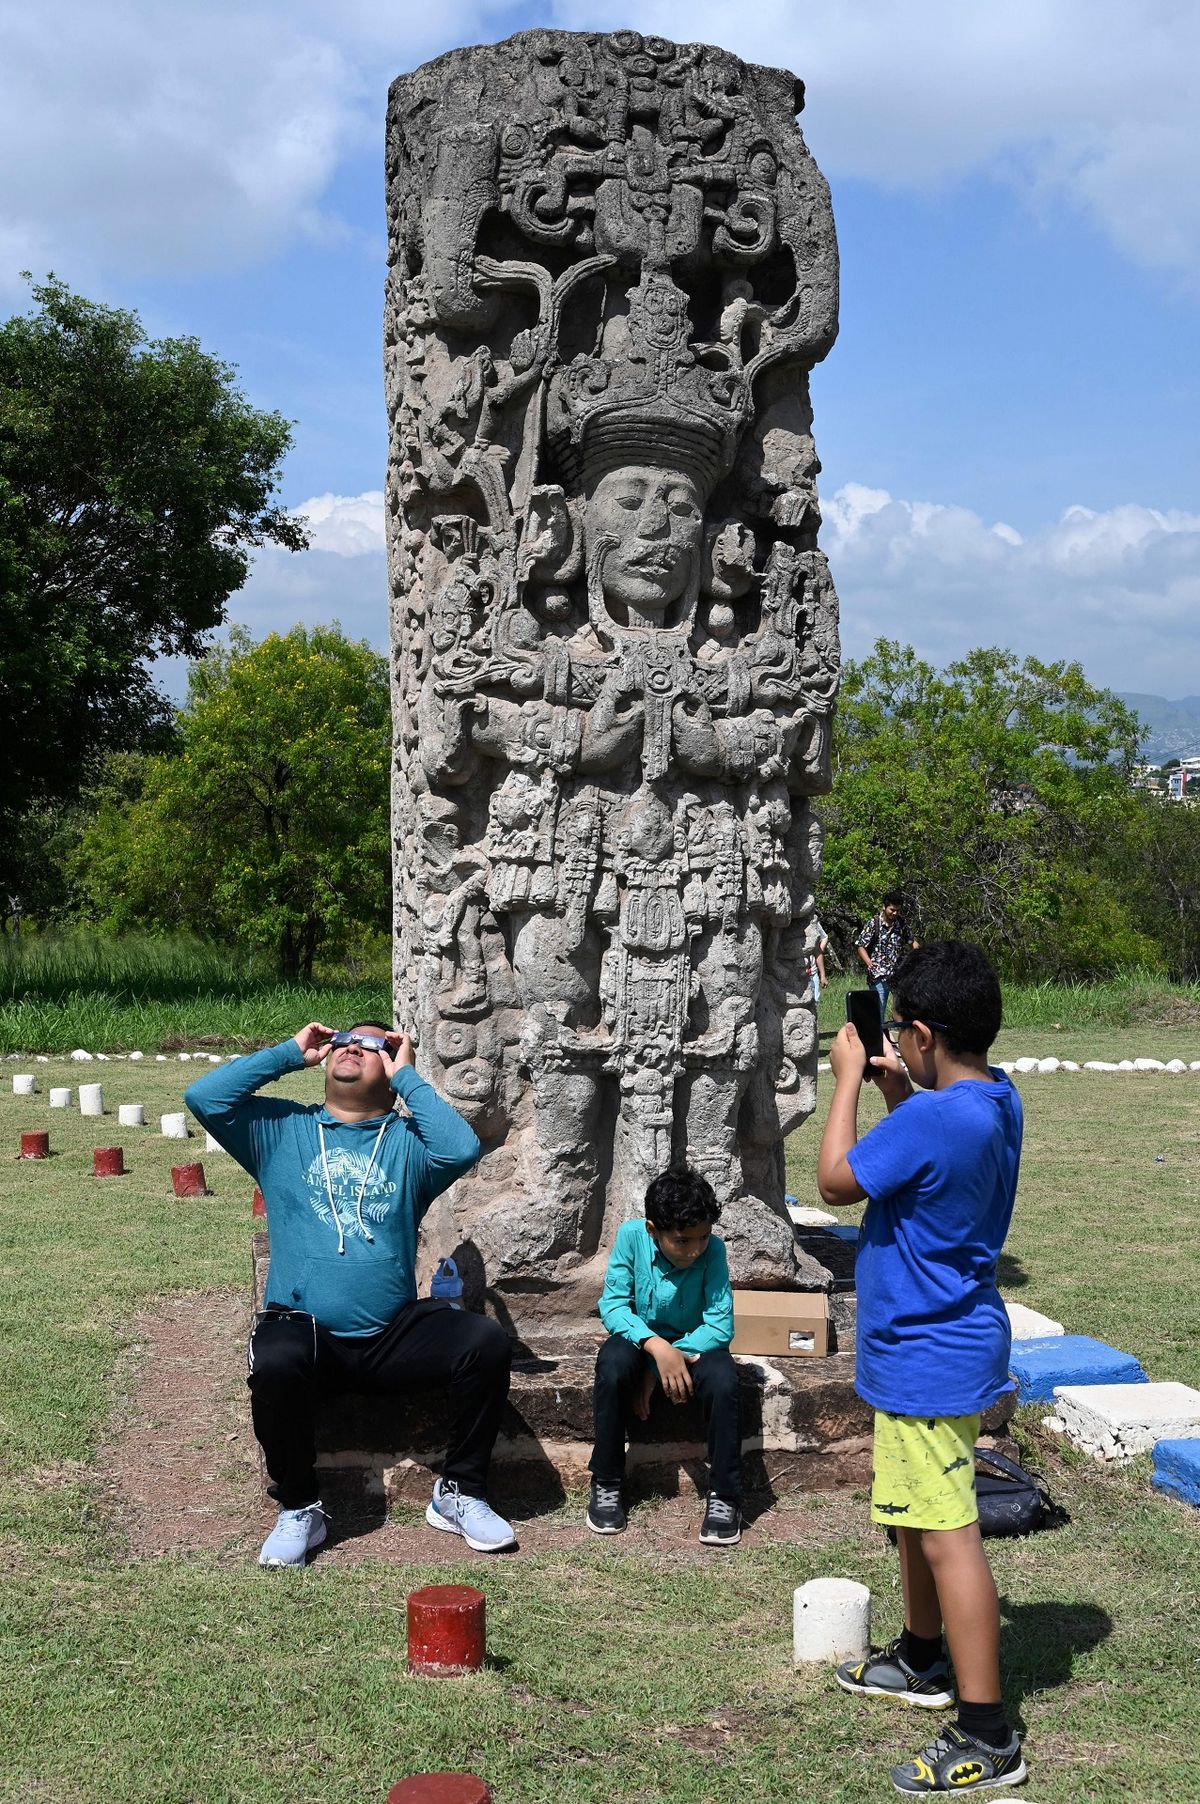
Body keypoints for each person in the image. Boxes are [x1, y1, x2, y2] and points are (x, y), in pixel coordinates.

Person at [185, 1021, 516, 1567]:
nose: (353, 1049)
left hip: (391, 1335)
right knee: (274, 1355)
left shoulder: (410, 1145)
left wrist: (407, 1076)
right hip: (309, 1336)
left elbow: (460, 1146)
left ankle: (459, 1492)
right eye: (344, 1041)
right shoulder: (279, 1130)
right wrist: (291, 1053)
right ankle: (299, 1507)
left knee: (483, 1340)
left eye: (373, 1046)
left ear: (388, 1068)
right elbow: (204, 1096)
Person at [816, 942, 1026, 1796]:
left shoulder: (929, 1122)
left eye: (901, 1031)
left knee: (948, 1535)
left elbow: (836, 1180)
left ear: (927, 1033)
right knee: (913, 1513)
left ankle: (987, 1732)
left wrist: (844, 1083)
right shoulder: (994, 1099)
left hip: (926, 1354)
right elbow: (936, 1154)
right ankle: (923, 1656)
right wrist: (900, 1091)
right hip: (953, 1338)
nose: (892, 1041)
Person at [586, 1164, 742, 1546]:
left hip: (695, 1344)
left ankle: (724, 1494)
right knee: (612, 1366)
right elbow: (614, 1307)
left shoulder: (713, 1251)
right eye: (683, 1241)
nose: (695, 1250)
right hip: (640, 1339)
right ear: (653, 1230)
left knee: (725, 1381)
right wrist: (655, 1348)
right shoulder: (631, 1238)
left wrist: (666, 1363)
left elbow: (720, 1326)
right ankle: (607, 1480)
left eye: (703, 1237)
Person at [855, 891, 919, 1017]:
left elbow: (912, 941)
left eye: (897, 910)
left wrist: (918, 955)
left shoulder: (901, 923)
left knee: (902, 1010)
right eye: (892, 910)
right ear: (884, 907)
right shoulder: (874, 923)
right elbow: (860, 945)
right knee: (878, 1010)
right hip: (878, 974)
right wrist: (869, 962)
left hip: (897, 974)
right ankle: (876, 1035)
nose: (894, 913)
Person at [807, 913, 830, 1001]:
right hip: (794, 974)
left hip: (811, 973)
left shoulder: (812, 920)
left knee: (814, 1004)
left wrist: (823, 976)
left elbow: (824, 938)